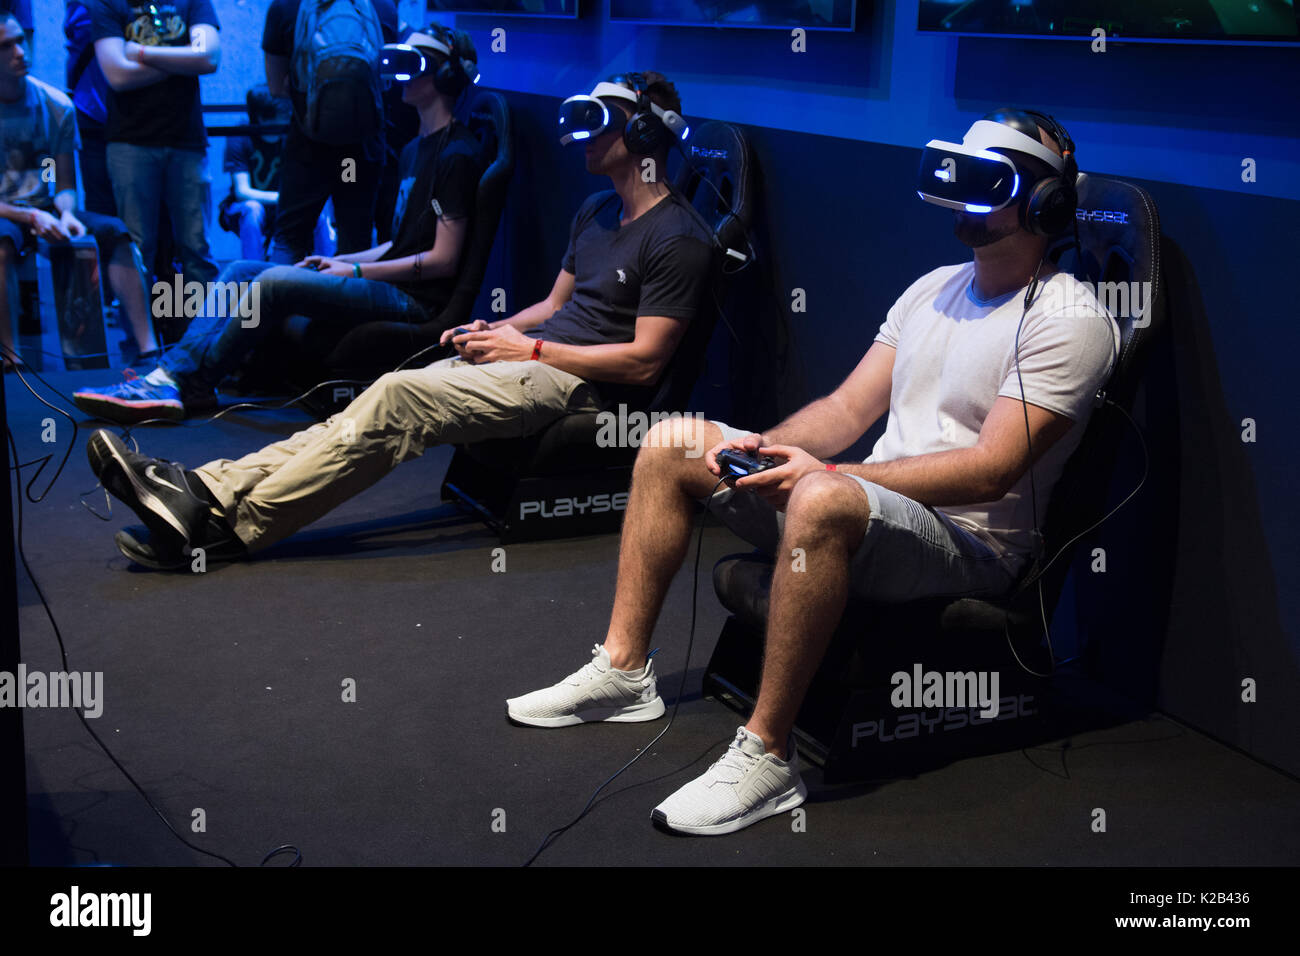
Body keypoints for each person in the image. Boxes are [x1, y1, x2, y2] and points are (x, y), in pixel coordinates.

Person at [506, 109, 1121, 836]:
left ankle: (767, 759)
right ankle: (624, 670)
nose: (964, 197)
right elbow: (842, 407)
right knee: (673, 440)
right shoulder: (935, 288)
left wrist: (829, 475)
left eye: (992, 182)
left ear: (1046, 202)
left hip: (972, 548)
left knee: (826, 496)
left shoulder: (1068, 319)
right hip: (869, 504)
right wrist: (765, 450)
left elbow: (991, 471)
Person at [83, 70, 713, 575]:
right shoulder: (597, 211)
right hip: (535, 358)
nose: (582, 137)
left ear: (646, 137)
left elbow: (644, 361)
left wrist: (534, 351)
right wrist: (492, 332)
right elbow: (552, 307)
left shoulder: (678, 236)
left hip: (574, 384)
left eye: (599, 124)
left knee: (396, 396)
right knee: (371, 404)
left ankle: (227, 524)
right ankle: (203, 489)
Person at [71, 25, 483, 422]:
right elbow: (399, 243)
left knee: (273, 283)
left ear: (445, 75)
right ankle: (175, 374)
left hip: (416, 299)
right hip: (393, 280)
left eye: (412, 65)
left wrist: (356, 269)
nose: (399, 77)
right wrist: (338, 259)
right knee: (241, 270)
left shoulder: (456, 155)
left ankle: (187, 380)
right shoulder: (414, 149)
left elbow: (442, 261)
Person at [0, 14, 155, 368]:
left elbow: (60, 179)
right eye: (6, 46)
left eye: (20, 41)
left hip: (43, 207)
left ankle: (148, 351)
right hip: (7, 215)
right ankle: (11, 357)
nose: (20, 52)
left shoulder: (55, 106)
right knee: (2, 244)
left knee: (115, 232)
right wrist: (27, 215)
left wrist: (65, 211)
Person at [86, 0, 221, 319]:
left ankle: (205, 344)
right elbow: (117, 74)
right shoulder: (107, 4)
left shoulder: (193, 2)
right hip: (129, 142)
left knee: (197, 250)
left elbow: (208, 57)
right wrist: (181, 60)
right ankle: (142, 349)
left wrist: (142, 53)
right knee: (137, 249)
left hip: (186, 140)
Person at [262, 0, 399, 263]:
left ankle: (282, 300)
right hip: (360, 150)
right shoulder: (383, 7)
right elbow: (387, 82)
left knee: (290, 236)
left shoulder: (285, 7)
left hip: (309, 147)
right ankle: (345, 302)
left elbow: (276, 87)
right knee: (355, 238)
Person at [216, 83, 335, 262]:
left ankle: (328, 273)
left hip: (286, 207)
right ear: (260, 118)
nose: (285, 119)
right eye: (279, 116)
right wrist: (285, 198)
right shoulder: (240, 135)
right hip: (247, 208)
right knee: (252, 208)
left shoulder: (290, 135)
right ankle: (253, 275)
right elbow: (242, 192)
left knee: (316, 210)